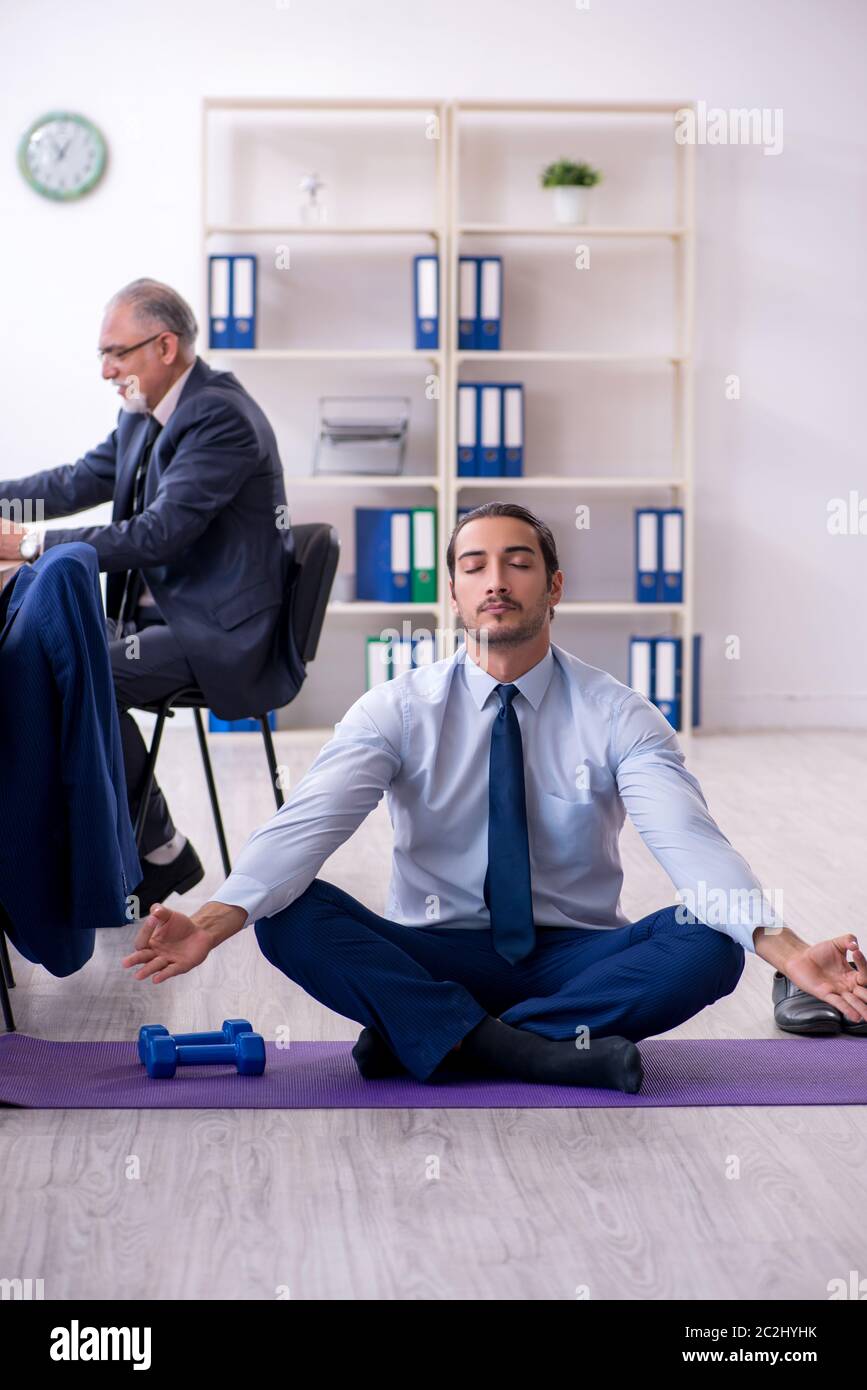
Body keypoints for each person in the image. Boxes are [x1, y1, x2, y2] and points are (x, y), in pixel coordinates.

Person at [121, 502, 867, 1091]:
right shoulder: (397, 709)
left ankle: (435, 1035)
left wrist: (790, 951)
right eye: (474, 566)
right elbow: (305, 827)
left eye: (518, 562)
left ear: (554, 585)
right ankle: (539, 1050)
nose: (496, 582)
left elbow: (691, 846)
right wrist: (214, 921)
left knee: (707, 943)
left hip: (575, 958)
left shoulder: (619, 714)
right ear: (451, 593)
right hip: (434, 949)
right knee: (286, 913)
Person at [0, 279, 303, 907]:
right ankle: (141, 848)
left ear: (165, 346)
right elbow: (75, 480)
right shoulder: (144, 412)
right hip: (162, 620)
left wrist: (29, 544)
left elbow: (158, 534)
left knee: (76, 671)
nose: (107, 370)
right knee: (47, 657)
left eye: (117, 353)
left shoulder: (220, 416)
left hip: (219, 632)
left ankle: (146, 852)